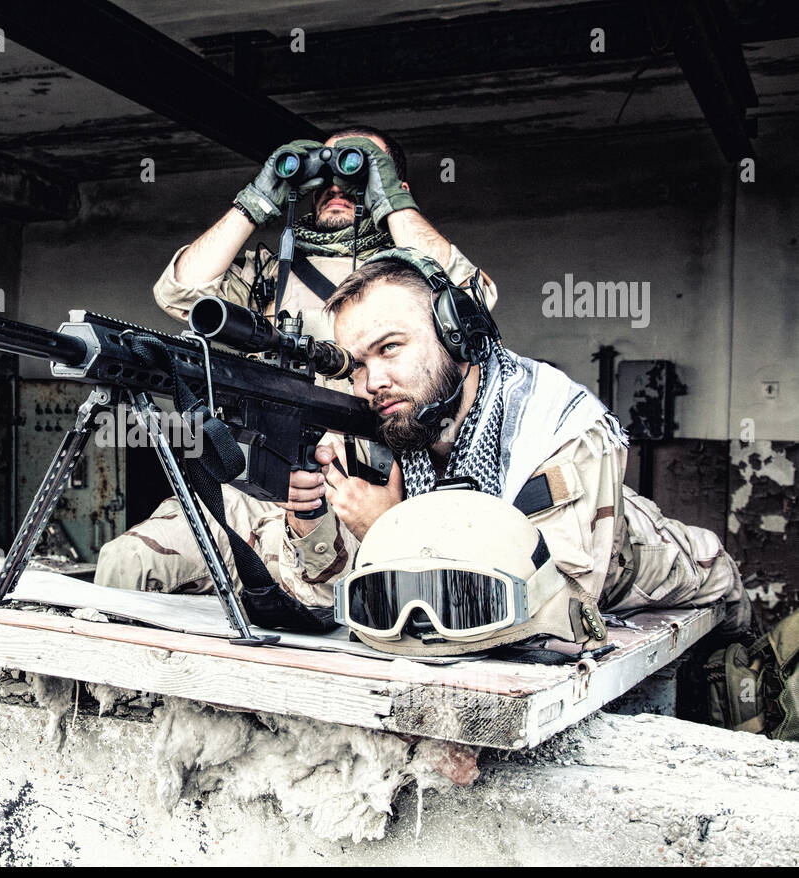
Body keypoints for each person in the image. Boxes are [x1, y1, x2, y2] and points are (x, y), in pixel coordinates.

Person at [95, 126, 496, 599]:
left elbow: (473, 299)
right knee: (125, 563)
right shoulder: (271, 271)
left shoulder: (408, 278)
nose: (336, 184)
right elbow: (178, 291)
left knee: (321, 611)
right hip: (253, 484)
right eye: (324, 172)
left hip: (348, 492)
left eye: (357, 170)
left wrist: (389, 199)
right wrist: (256, 199)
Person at [280, 249, 751, 635]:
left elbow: (554, 615)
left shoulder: (557, 427)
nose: (370, 382)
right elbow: (325, 600)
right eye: (356, 365)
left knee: (735, 686)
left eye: (389, 348)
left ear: (456, 336)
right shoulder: (388, 422)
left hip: (681, 574)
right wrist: (310, 522)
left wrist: (392, 533)